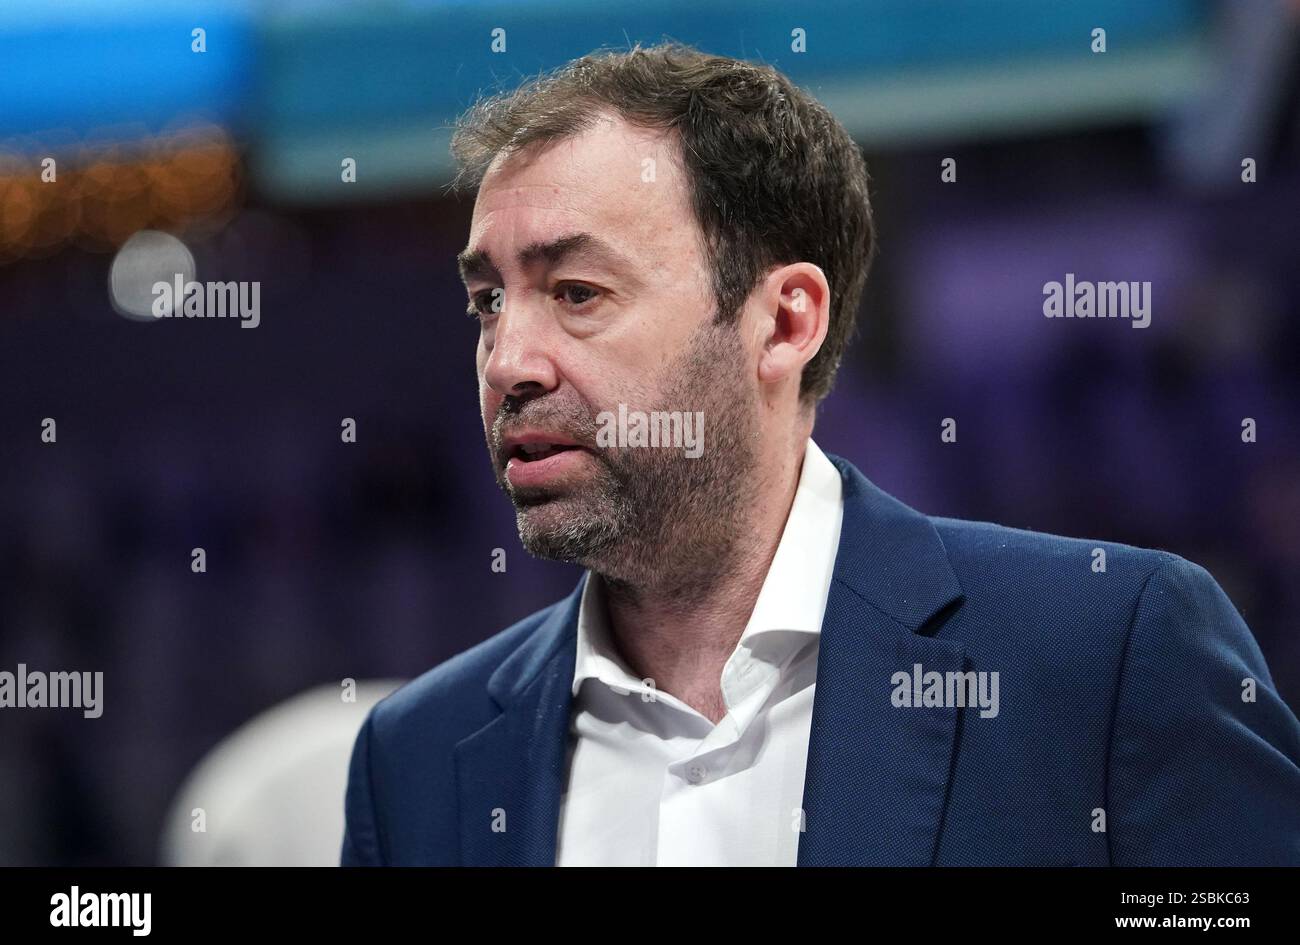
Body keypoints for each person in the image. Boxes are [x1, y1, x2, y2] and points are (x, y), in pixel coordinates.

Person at [342, 42, 1300, 866]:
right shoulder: (417, 761)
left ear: (784, 320)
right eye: (487, 304)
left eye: (579, 292)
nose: (507, 361)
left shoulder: (1106, 658)